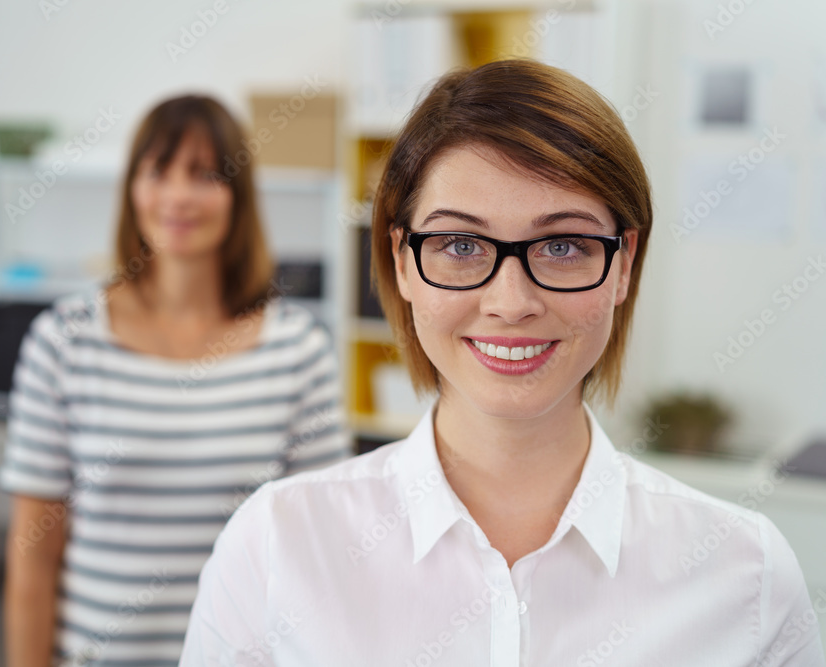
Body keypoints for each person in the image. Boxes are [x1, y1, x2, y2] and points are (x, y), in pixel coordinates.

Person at [179, 60, 826, 665]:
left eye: (563, 245)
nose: (511, 303)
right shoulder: (277, 546)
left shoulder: (747, 575)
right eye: (461, 244)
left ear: (624, 263)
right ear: (402, 261)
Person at [0, 95, 349, 667]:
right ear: (132, 190)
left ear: (238, 196)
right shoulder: (63, 340)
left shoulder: (298, 350)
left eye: (205, 174)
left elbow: (317, 552)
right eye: (158, 171)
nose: (179, 195)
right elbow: (32, 556)